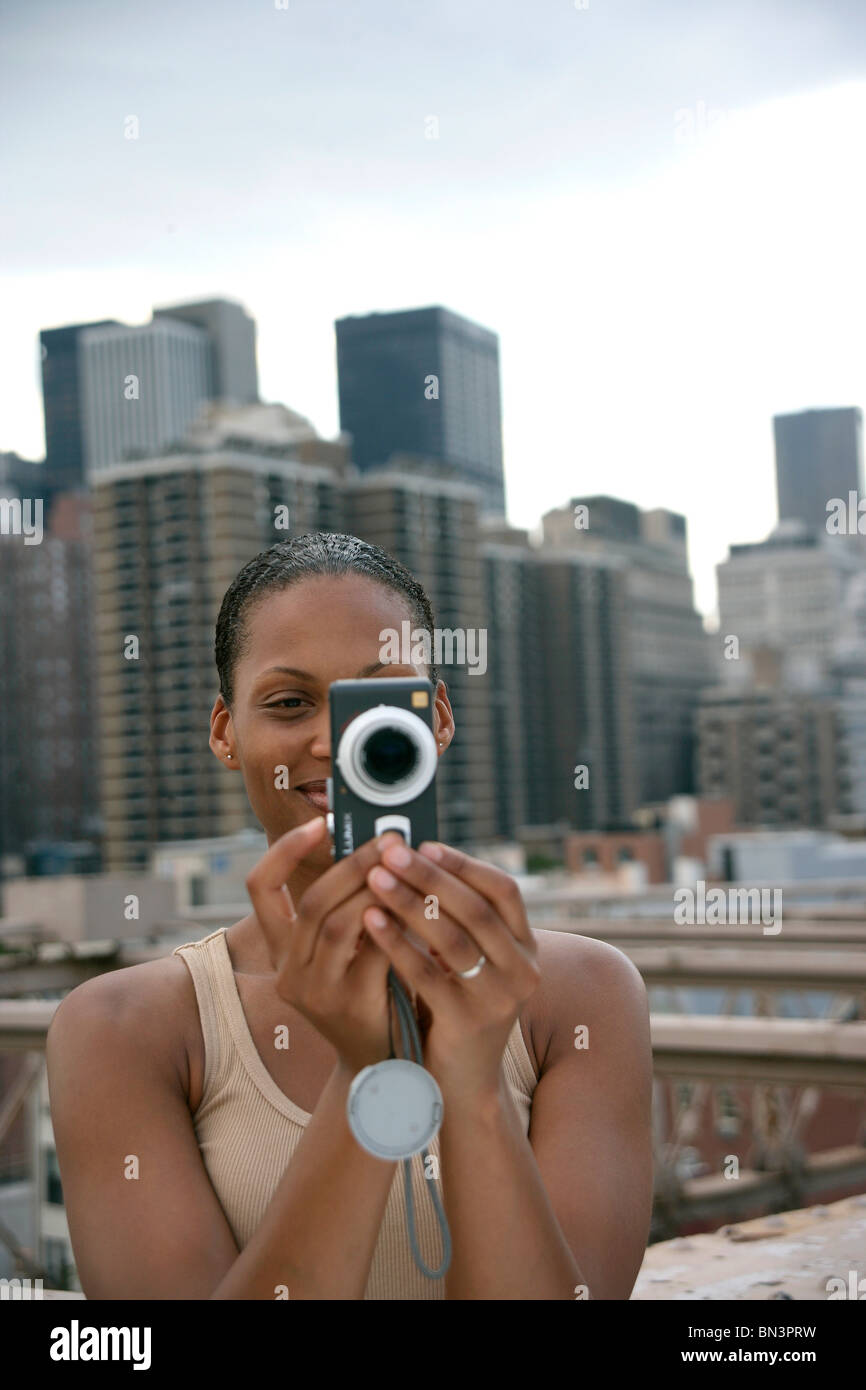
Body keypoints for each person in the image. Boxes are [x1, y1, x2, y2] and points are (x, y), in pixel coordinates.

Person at [46, 531, 653, 1300]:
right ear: (226, 733)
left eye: (380, 704)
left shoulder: (580, 995)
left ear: (436, 720)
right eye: (290, 701)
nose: (337, 742)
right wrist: (370, 1075)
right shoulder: (121, 1028)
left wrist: (470, 1086)